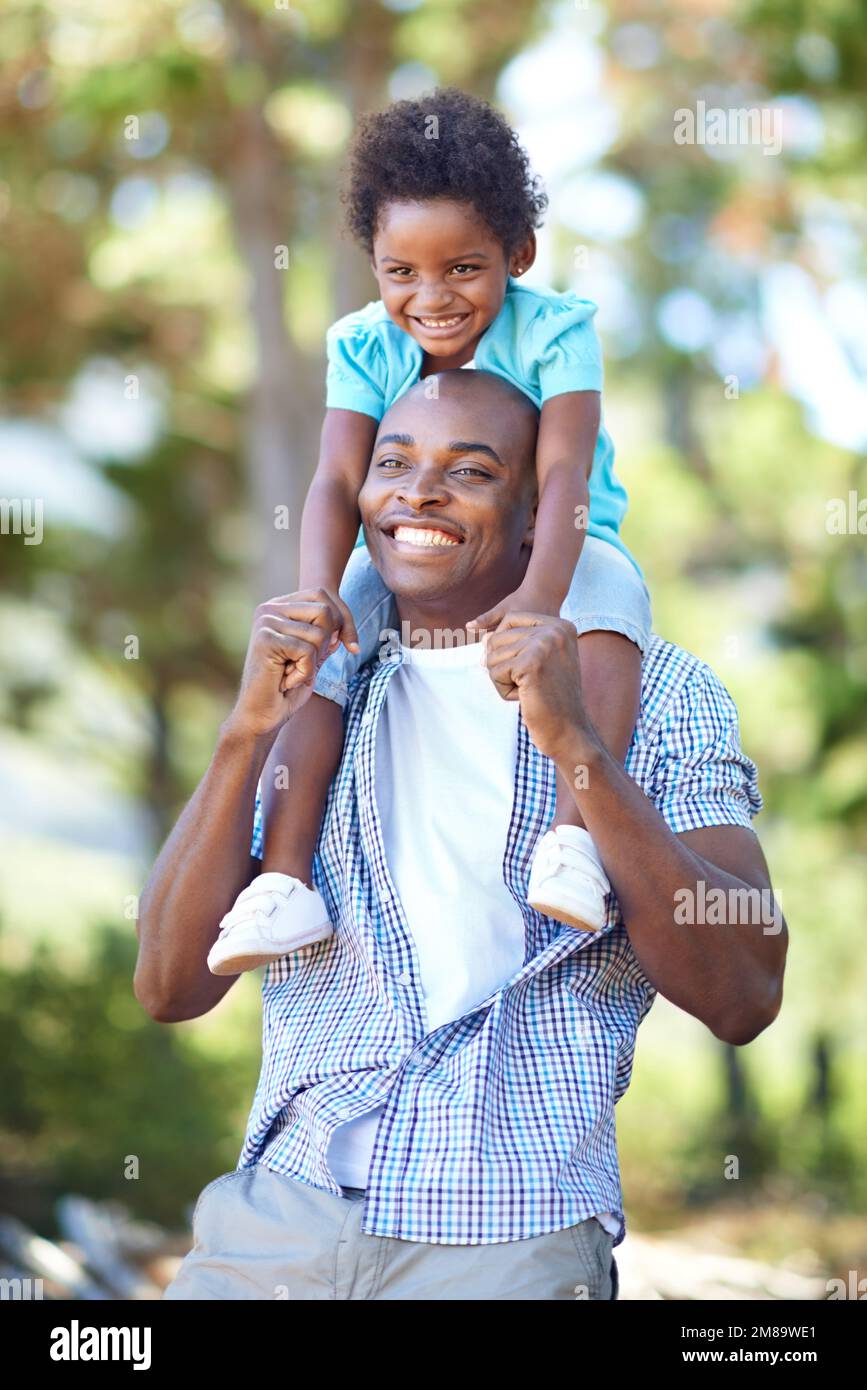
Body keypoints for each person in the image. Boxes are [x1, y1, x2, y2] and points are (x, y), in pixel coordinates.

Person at [136, 369, 788, 1302]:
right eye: (392, 462)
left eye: (470, 472)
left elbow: (744, 993)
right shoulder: (315, 700)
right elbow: (169, 983)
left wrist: (578, 749)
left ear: (539, 519)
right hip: (277, 1221)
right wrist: (243, 735)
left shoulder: (658, 691)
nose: (418, 491)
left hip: (510, 1235)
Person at [206, 87, 651, 976]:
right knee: (320, 660)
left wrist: (538, 596)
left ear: (516, 253)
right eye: (399, 270)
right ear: (373, 263)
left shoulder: (555, 330)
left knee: (608, 605)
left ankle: (573, 840)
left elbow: (562, 473)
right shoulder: (362, 346)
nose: (430, 296)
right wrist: (319, 593)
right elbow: (337, 475)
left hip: (564, 535)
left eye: (462, 268)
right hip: (419, 550)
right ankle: (286, 879)